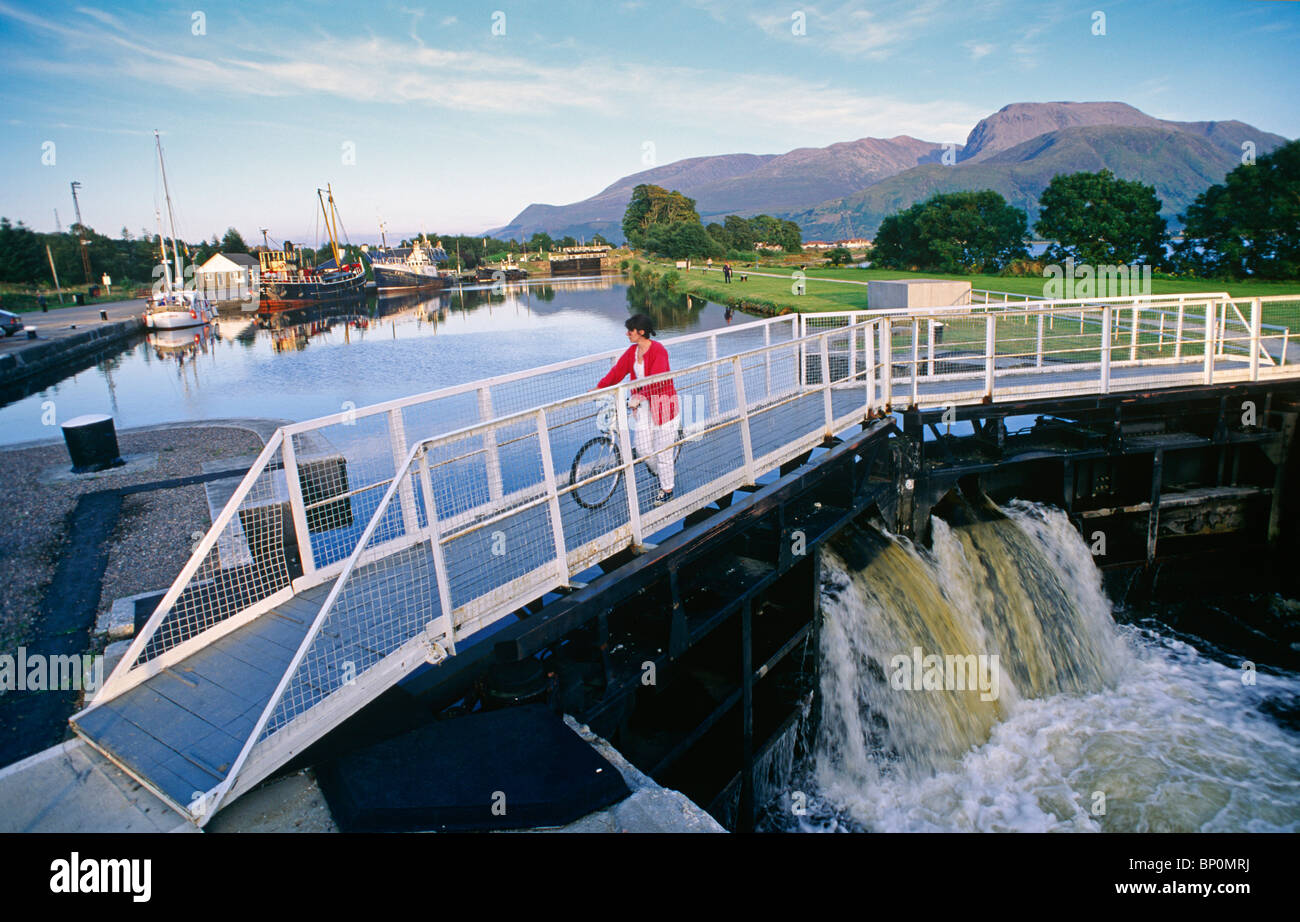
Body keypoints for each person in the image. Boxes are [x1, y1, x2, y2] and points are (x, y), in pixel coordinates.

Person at [595, 313, 679, 502]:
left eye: (630, 331)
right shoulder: (633, 351)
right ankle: (663, 472)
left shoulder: (659, 351)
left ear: (641, 332)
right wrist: (599, 387)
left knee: (662, 450)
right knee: (641, 448)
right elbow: (617, 372)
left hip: (663, 404)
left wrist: (640, 395)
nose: (627, 334)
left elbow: (656, 379)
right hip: (642, 406)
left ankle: (667, 490)